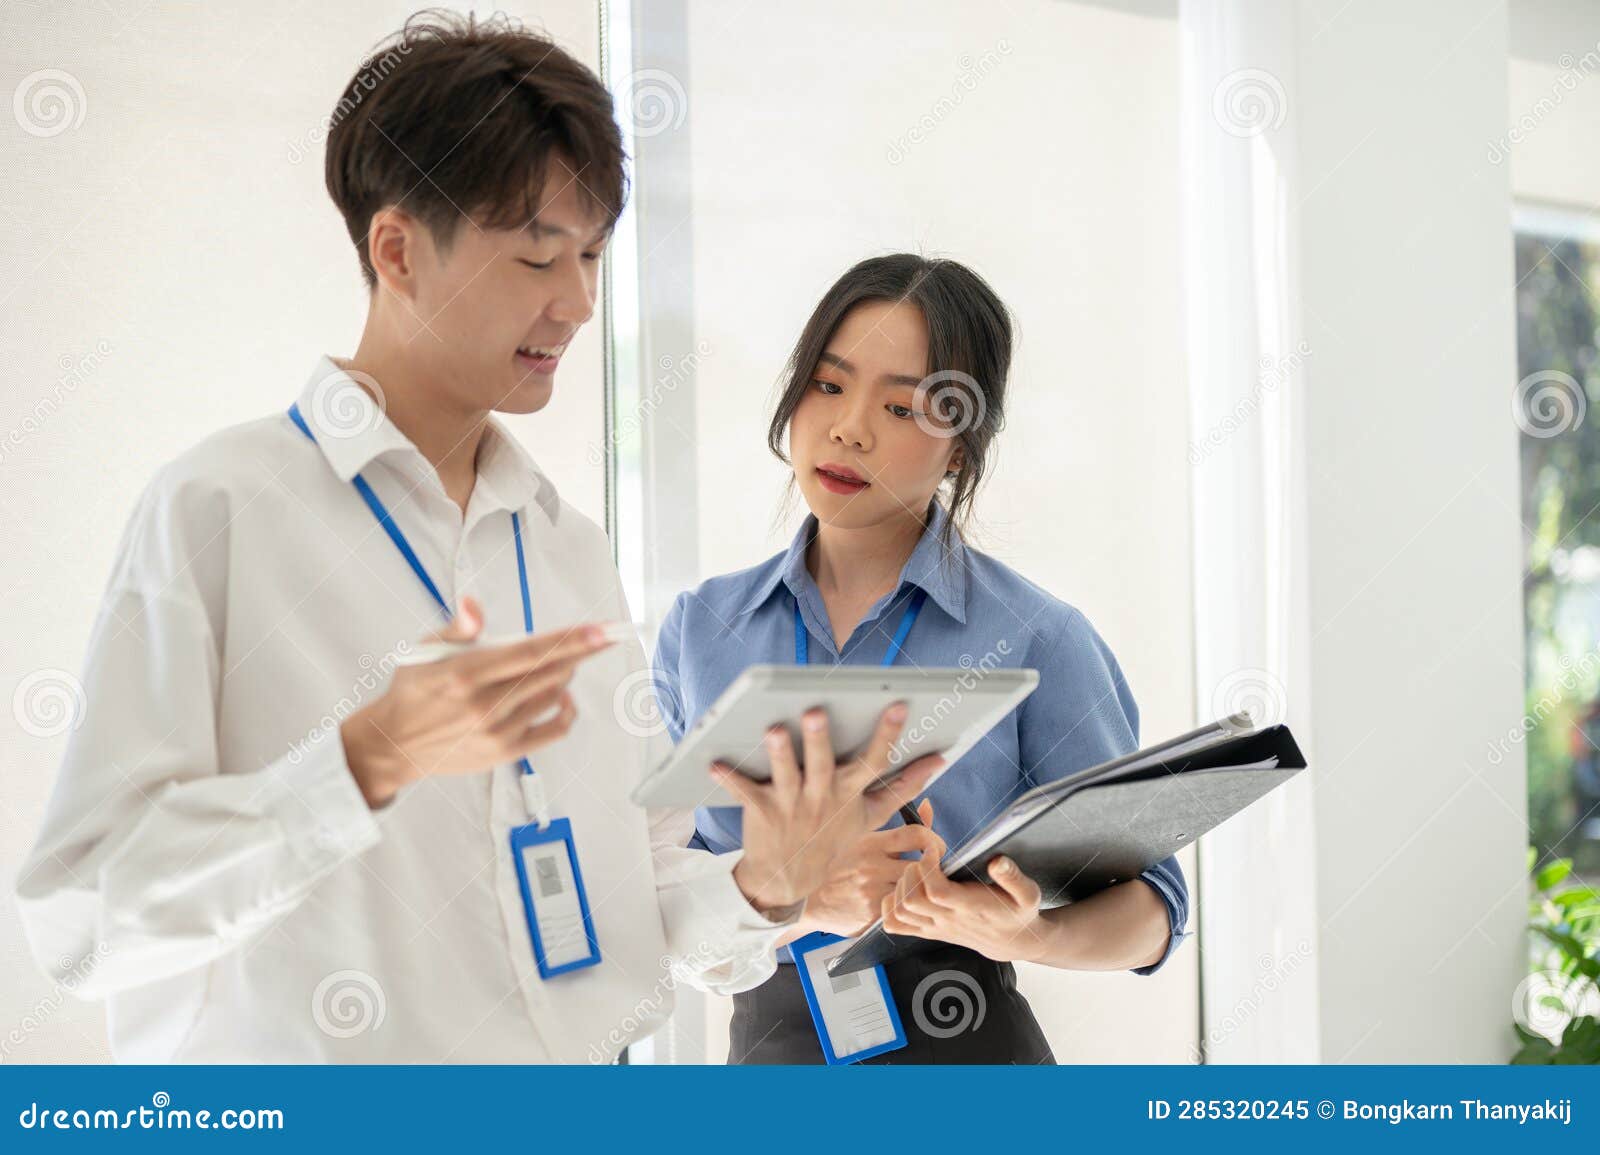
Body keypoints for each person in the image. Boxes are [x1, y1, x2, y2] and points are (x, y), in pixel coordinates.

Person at [13, 12, 939, 1063]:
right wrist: (367, 759)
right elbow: (83, 925)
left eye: (592, 255)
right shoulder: (219, 509)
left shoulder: (568, 552)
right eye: (539, 257)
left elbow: (625, 897)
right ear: (399, 251)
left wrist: (766, 885)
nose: (579, 302)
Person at [652, 254, 1193, 1064]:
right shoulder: (702, 630)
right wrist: (804, 899)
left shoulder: (1038, 636)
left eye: (901, 406)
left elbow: (1154, 906)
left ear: (960, 451)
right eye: (829, 385)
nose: (850, 427)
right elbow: (659, 910)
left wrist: (1027, 930)